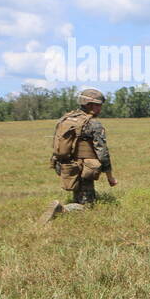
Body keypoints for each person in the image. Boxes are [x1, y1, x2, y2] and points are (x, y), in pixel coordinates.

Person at [42, 88, 117, 223]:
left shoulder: (66, 119)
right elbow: (103, 153)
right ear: (89, 105)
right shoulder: (93, 124)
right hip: (84, 167)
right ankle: (62, 209)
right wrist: (110, 177)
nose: (100, 108)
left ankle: (70, 206)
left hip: (67, 165)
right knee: (87, 206)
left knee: (80, 195)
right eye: (98, 105)